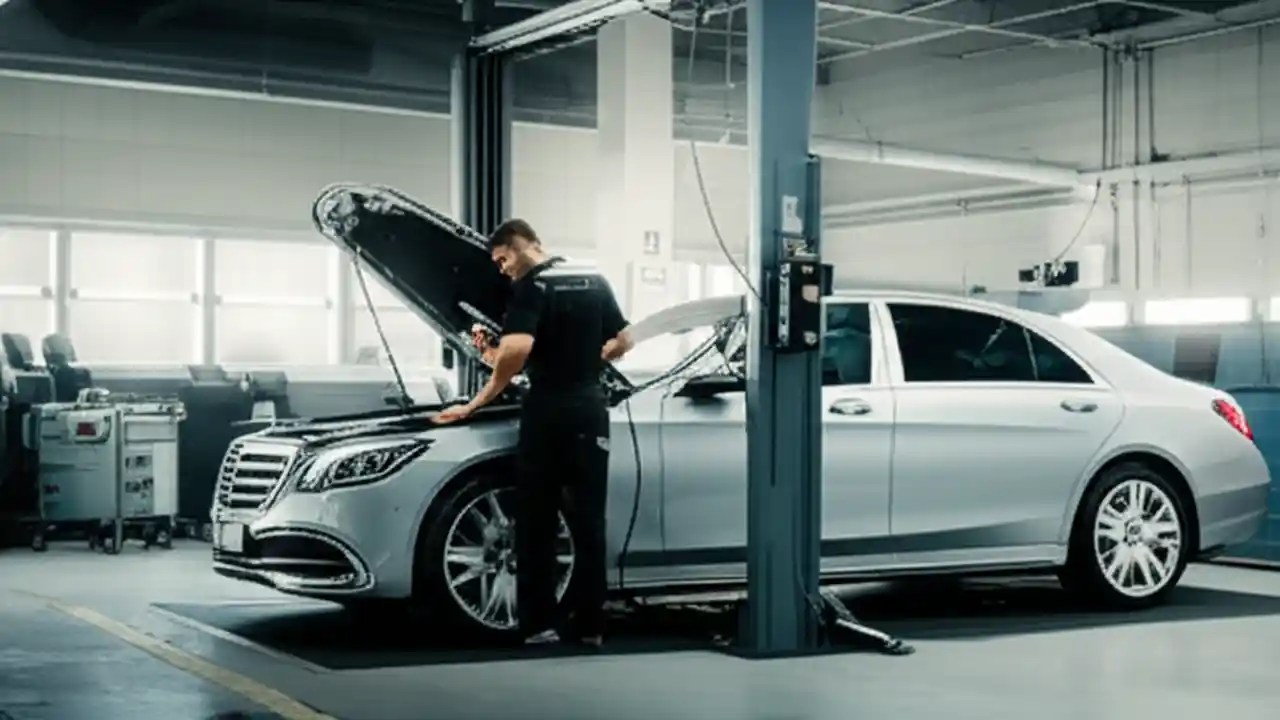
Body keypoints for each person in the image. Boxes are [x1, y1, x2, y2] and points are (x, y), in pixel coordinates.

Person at [434, 219, 634, 647]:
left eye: (503, 259)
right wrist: (586, 359)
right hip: (590, 411)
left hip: (549, 412)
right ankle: (591, 626)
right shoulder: (592, 278)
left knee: (537, 519)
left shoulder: (531, 286)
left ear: (523, 246)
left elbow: (519, 350)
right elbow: (623, 339)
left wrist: (477, 401)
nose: (503, 269)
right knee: (588, 520)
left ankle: (539, 624)